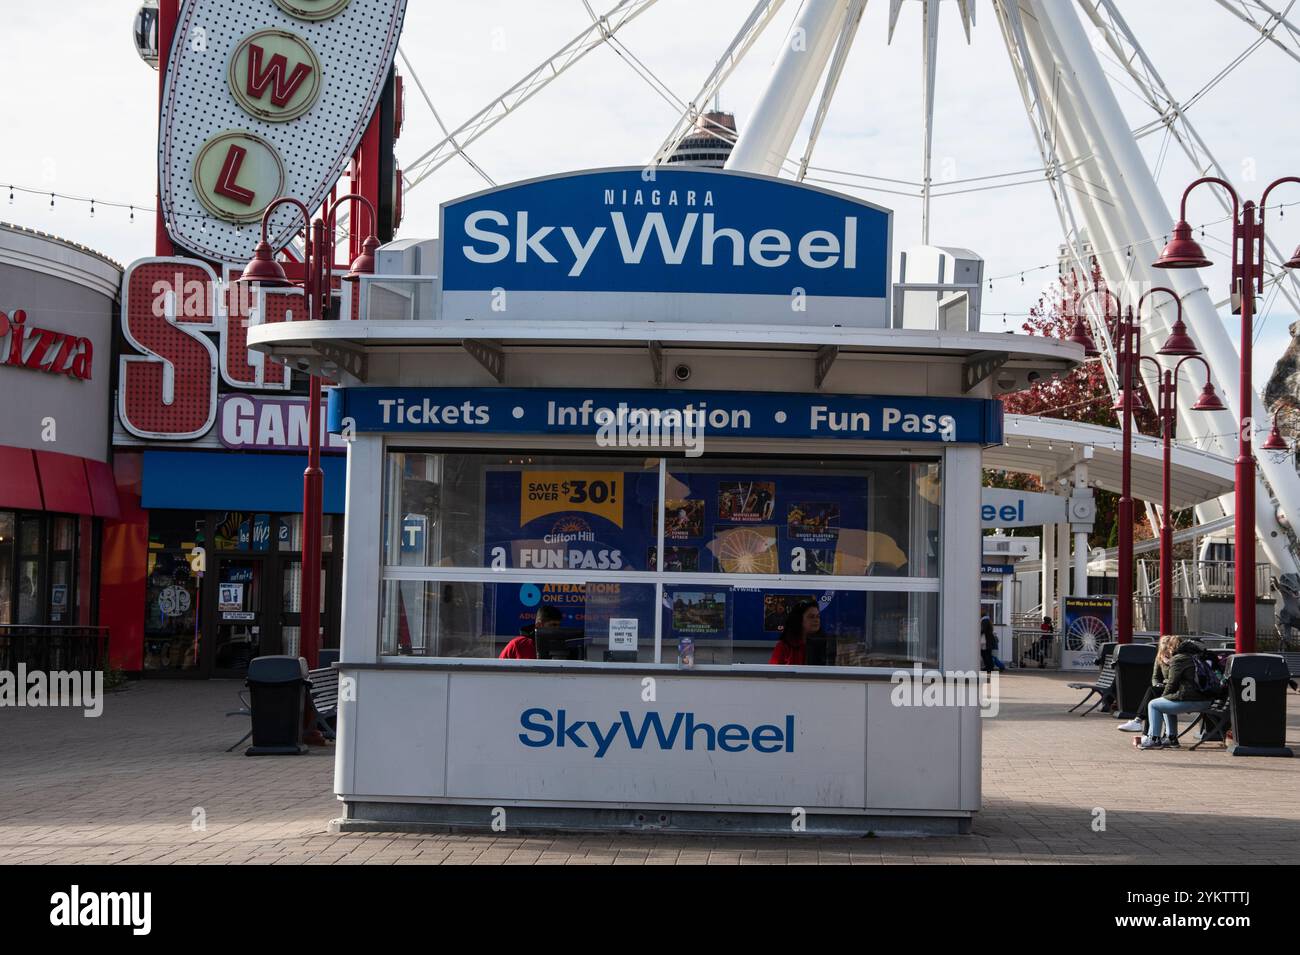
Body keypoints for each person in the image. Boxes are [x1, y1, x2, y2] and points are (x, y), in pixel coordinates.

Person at [1136, 636, 1208, 749]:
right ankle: (1171, 738)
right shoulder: (1199, 658)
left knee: (1154, 704)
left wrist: (1163, 697)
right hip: (1208, 699)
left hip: (1193, 699)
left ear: (1173, 648)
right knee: (1168, 701)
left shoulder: (1179, 659)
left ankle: (1154, 738)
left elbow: (1172, 683)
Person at [1117, 634, 1174, 735]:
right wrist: (1157, 684)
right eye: (1164, 651)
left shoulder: (1177, 660)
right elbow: (1155, 676)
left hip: (1173, 688)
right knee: (1152, 698)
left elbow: (1175, 678)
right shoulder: (1159, 658)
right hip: (1164, 688)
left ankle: (1138, 722)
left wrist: (1170, 664)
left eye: (1167, 651)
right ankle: (1146, 734)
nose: (1166, 654)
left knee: (1152, 693)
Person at [770, 600, 819, 665]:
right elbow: (773, 672)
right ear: (799, 619)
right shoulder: (784, 646)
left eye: (818, 616)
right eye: (811, 617)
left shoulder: (823, 644)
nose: (816, 620)